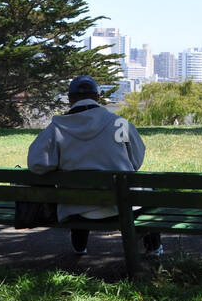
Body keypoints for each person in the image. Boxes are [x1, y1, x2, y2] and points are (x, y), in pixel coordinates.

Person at [27, 75, 161, 257]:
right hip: (120, 206)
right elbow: (135, 162)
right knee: (149, 193)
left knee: (80, 195)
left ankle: (79, 246)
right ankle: (154, 248)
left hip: (75, 210)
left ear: (70, 99)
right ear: (98, 97)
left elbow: (37, 165)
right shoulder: (119, 124)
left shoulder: (56, 128)